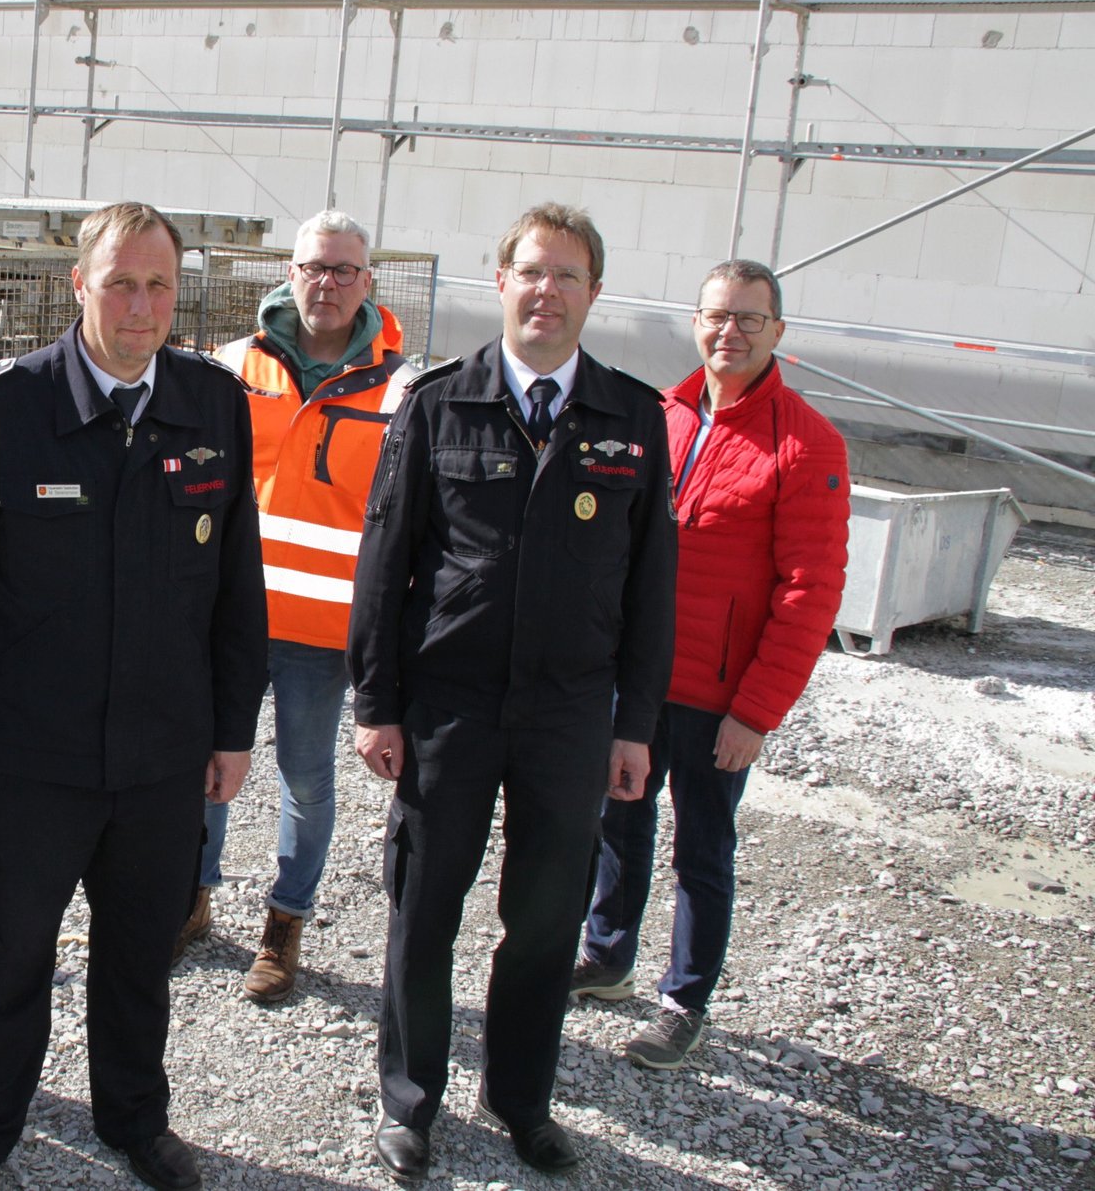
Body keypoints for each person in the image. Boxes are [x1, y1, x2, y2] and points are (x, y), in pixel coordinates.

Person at [0, 202, 269, 1191]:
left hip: (160, 758)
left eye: (158, 284)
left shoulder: (212, 405)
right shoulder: (3, 409)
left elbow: (237, 585)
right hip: (30, 760)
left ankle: (133, 1123)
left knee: (138, 957)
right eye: (120, 282)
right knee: (3, 956)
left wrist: (233, 728)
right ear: (78, 284)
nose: (141, 305)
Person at [347, 203, 677, 1180]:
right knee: (425, 909)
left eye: (566, 275)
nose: (546, 290)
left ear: (592, 293)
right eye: (530, 271)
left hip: (569, 715)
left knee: (542, 918)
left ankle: (520, 1098)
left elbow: (651, 583)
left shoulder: (631, 416)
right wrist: (376, 701)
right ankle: (408, 1097)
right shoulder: (439, 402)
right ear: (501, 283)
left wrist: (635, 724)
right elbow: (385, 556)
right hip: (447, 703)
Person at [573, 258, 849, 1068]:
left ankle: (684, 996)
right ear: (696, 322)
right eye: (717, 316)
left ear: (778, 332)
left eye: (749, 320)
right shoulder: (663, 415)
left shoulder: (804, 443)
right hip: (640, 681)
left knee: (702, 848)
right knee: (619, 817)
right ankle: (608, 952)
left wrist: (756, 711)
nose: (730, 333)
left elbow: (811, 590)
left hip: (718, 694)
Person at [178, 208, 412, 1004]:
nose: (328, 282)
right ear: (290, 271)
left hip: (324, 634)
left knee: (306, 781)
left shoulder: (401, 388)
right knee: (208, 765)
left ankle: (285, 924)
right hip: (230, 619)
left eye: (344, 270)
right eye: (315, 266)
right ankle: (194, 898)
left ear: (367, 282)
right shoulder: (232, 365)